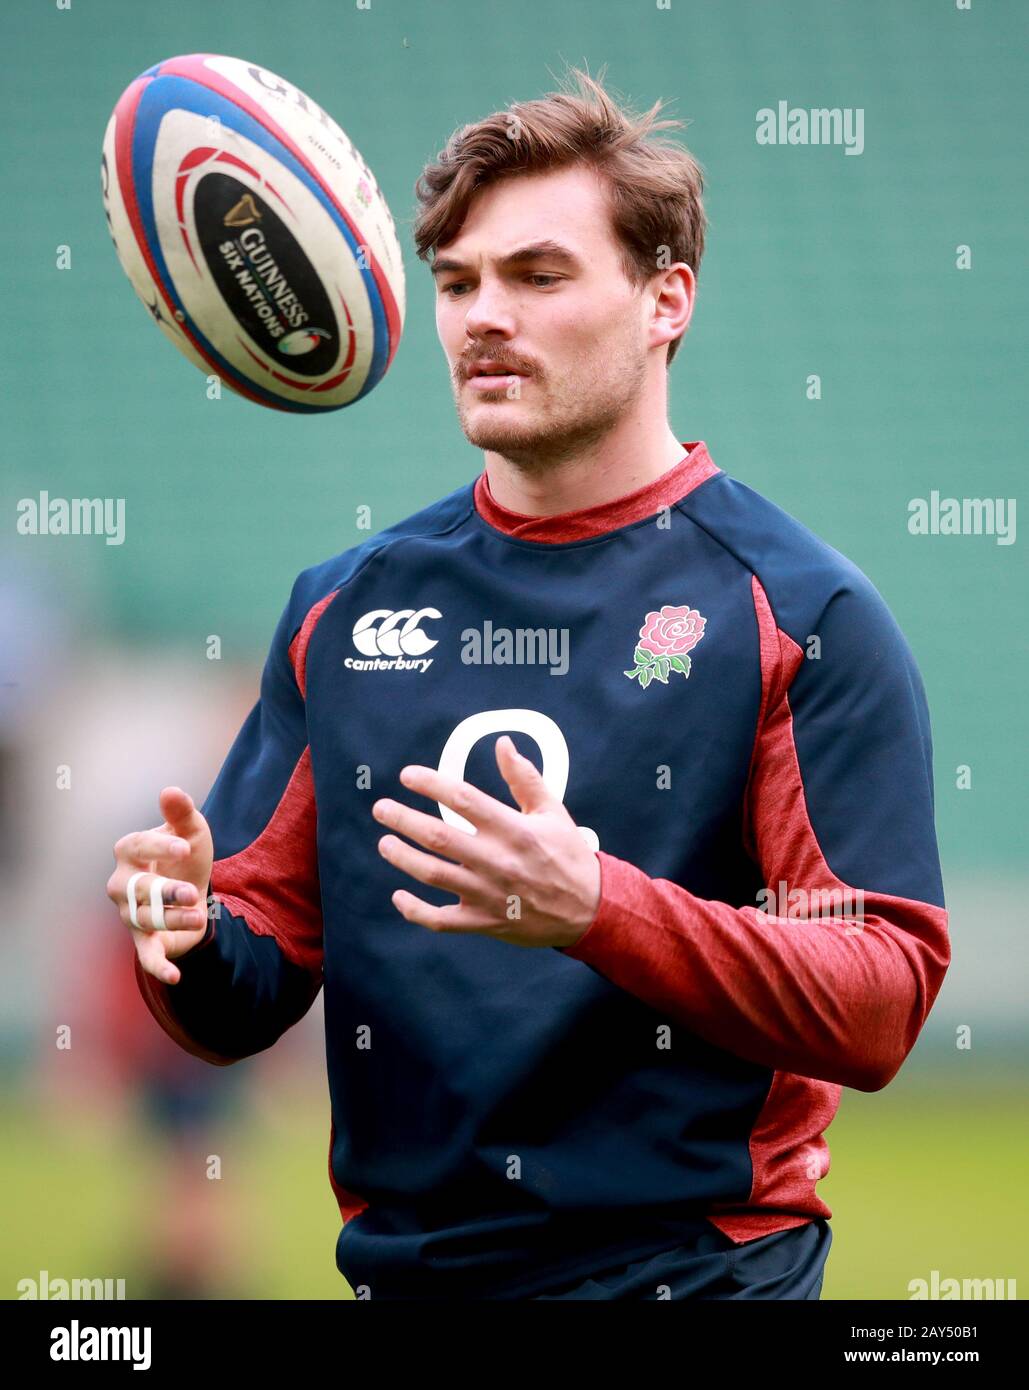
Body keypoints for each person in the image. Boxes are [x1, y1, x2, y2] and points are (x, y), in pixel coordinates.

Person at [106, 68, 950, 1301]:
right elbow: (250, 984)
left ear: (668, 301)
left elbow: (879, 996)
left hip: (692, 1281)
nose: (482, 317)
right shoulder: (347, 609)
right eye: (457, 283)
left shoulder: (799, 614)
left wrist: (597, 906)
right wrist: (182, 936)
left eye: (538, 277)